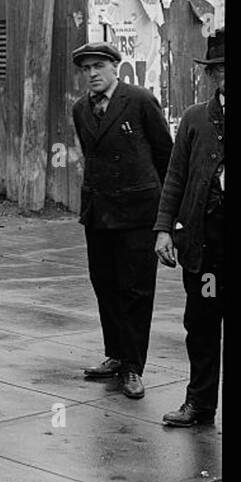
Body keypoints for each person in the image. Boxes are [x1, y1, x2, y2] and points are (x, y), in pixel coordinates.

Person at [71, 41, 173, 399]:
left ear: (115, 66)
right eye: (86, 69)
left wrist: (166, 216)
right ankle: (115, 354)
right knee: (105, 284)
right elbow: (91, 156)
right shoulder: (81, 108)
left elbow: (167, 157)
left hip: (138, 213)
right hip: (99, 213)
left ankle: (133, 367)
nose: (92, 74)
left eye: (99, 66)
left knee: (136, 291)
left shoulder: (140, 100)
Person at [153, 29, 224, 427]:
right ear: (212, 75)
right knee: (201, 325)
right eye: (219, 69)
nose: (226, 75)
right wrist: (164, 229)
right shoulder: (197, 119)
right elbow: (175, 178)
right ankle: (199, 405)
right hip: (207, 251)